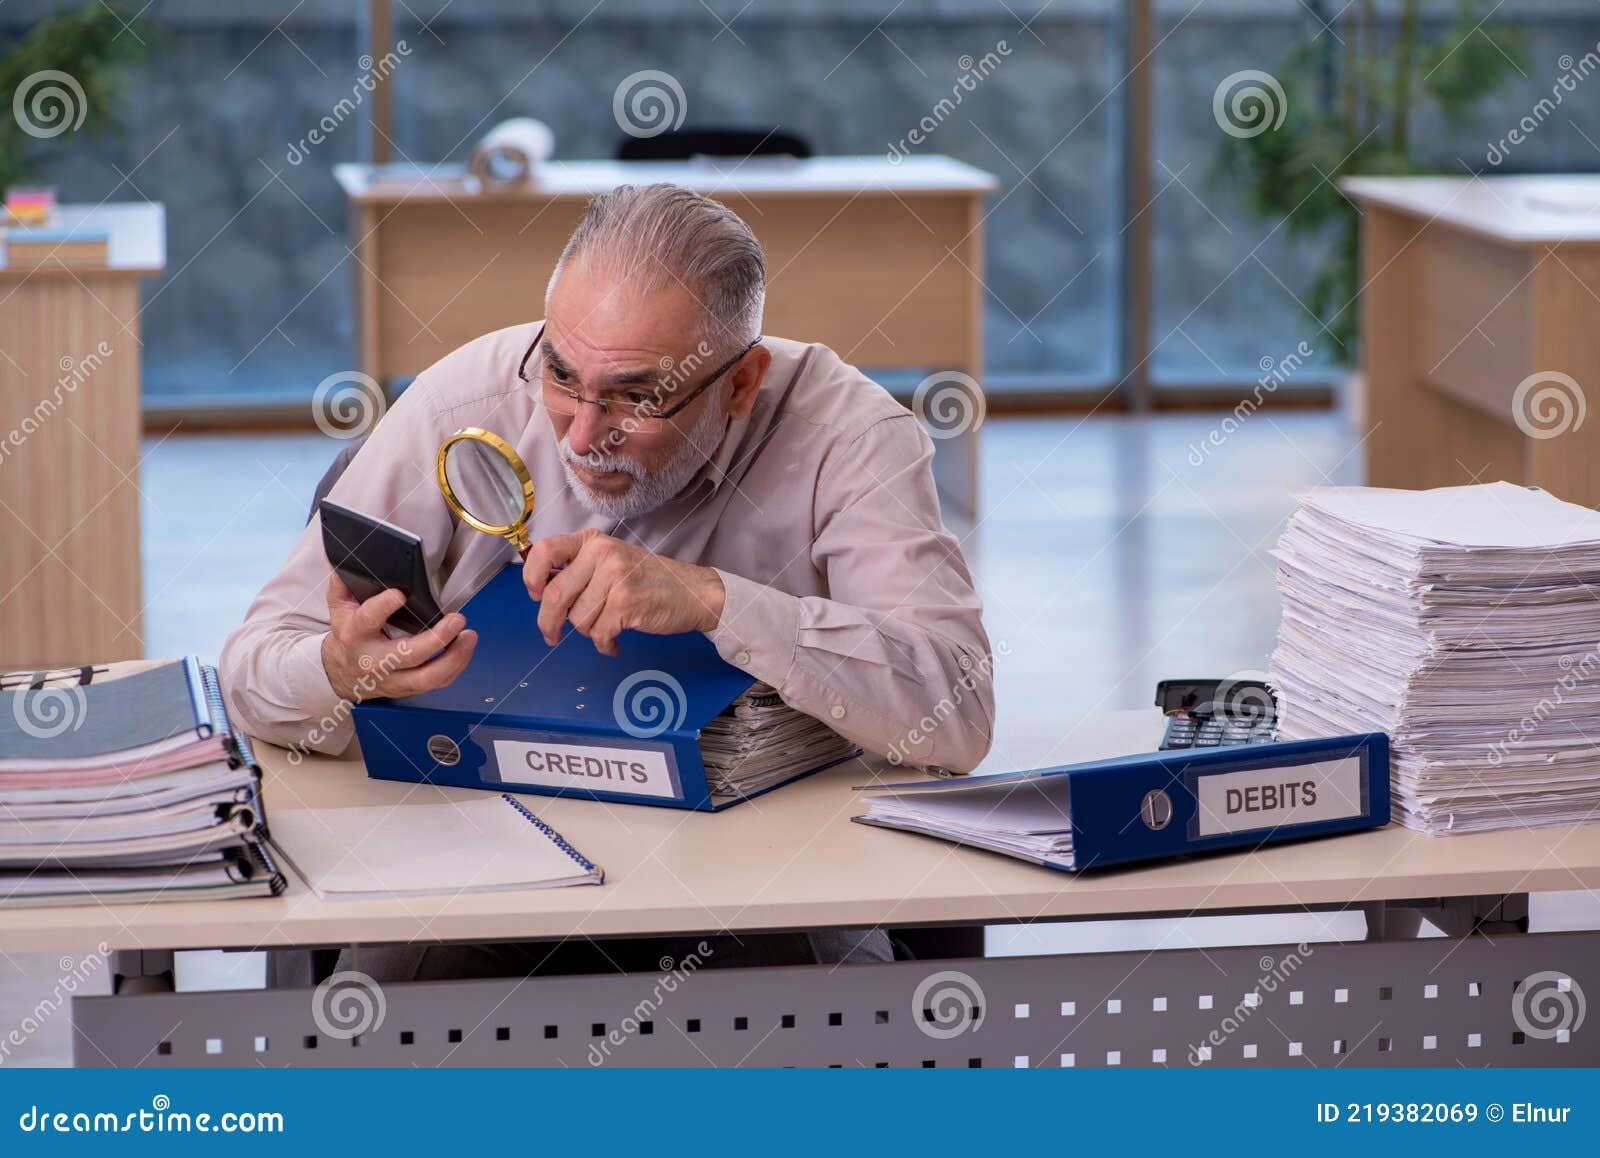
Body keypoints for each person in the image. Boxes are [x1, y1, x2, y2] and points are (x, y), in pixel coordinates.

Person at [221, 183, 994, 980]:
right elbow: (249, 670)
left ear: (740, 382)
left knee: (845, 1032)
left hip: (761, 888)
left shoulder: (850, 435)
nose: (585, 436)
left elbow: (960, 714)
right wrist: (336, 671)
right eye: (561, 376)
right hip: (476, 869)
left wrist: (716, 601)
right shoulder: (466, 397)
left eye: (639, 395)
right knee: (370, 1030)